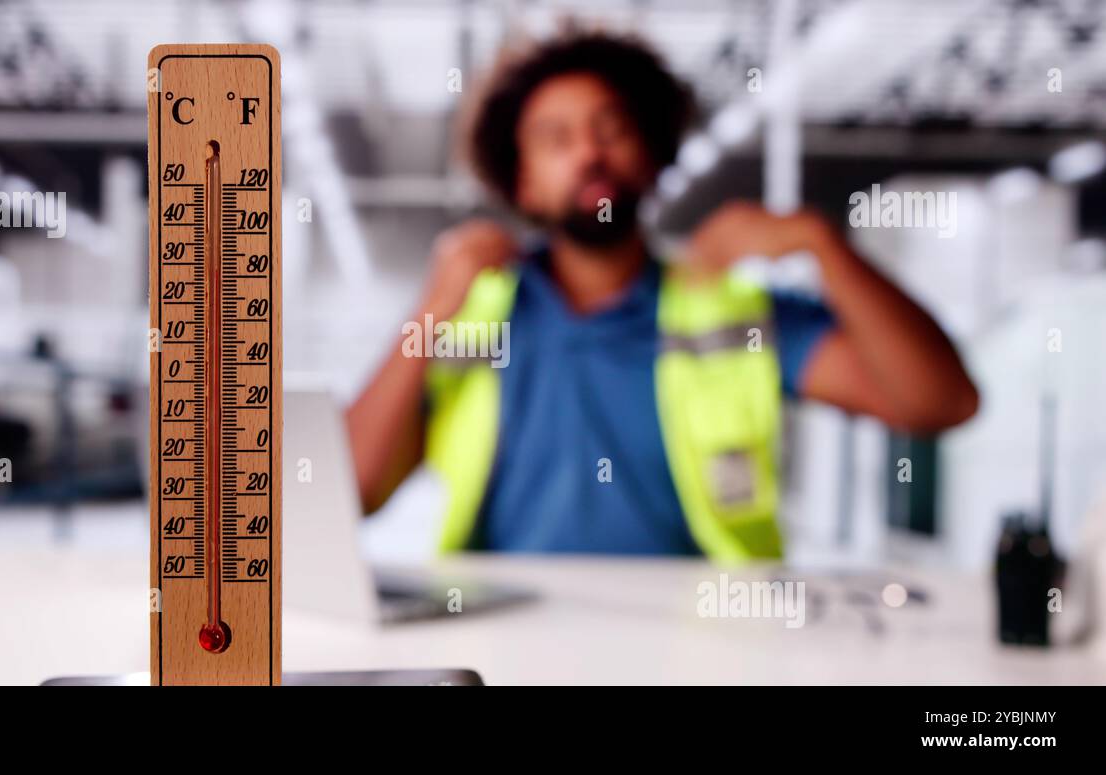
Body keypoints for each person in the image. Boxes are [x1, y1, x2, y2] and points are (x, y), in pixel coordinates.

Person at [346, 31, 978, 561]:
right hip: (503, 645)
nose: (590, 151)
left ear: (652, 158)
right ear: (524, 186)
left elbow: (939, 401)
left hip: (708, 648)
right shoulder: (466, 324)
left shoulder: (735, 311)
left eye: (611, 128)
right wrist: (429, 309)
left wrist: (821, 245)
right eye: (557, 139)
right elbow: (355, 490)